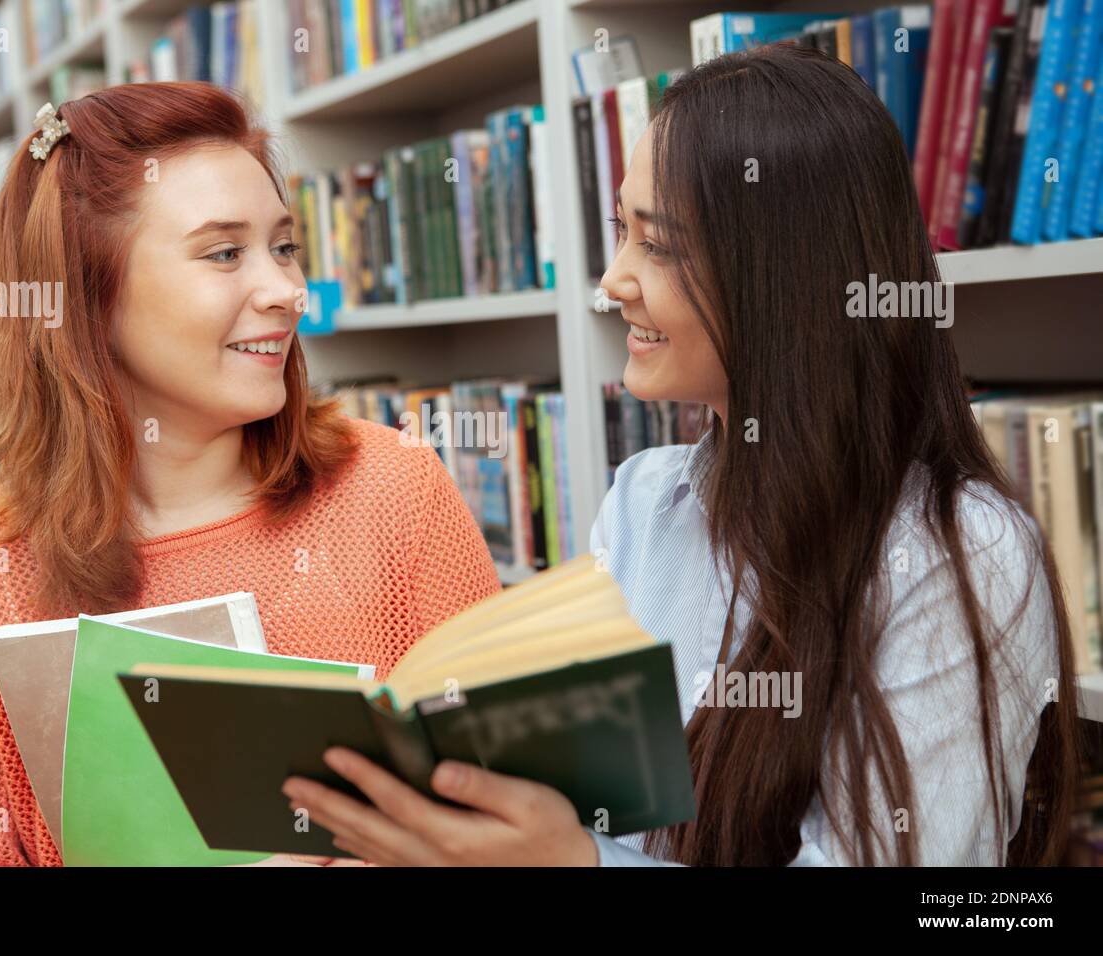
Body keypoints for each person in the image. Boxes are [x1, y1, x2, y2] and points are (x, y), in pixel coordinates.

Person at [281, 44, 1081, 867]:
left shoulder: (959, 553)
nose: (611, 279)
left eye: (657, 247)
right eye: (621, 232)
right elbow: (593, 803)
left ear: (786, 273)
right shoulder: (643, 499)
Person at [0, 82, 501, 866]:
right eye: (224, 253)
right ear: (87, 298)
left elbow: (510, 818)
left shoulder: (394, 486)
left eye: (283, 246)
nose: (285, 291)